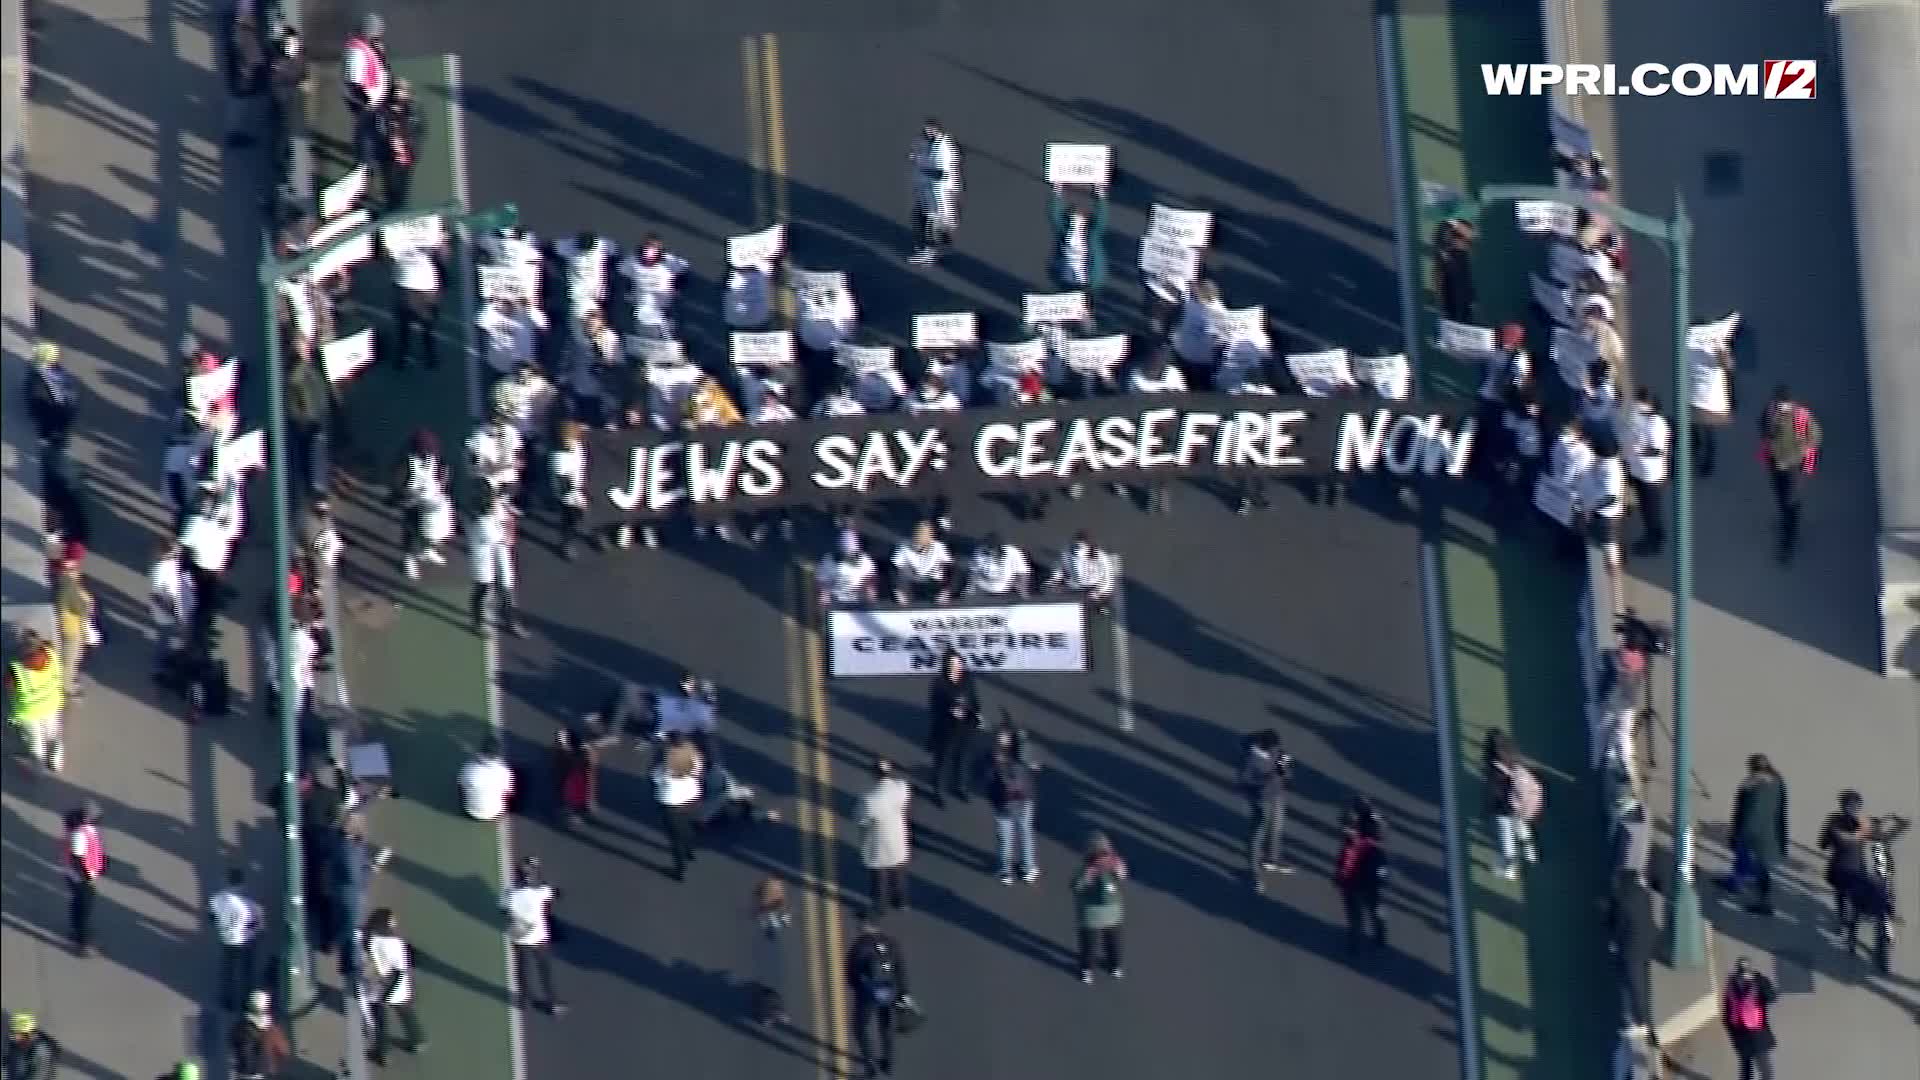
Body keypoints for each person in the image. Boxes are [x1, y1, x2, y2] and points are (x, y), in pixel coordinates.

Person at [1756, 385, 1821, 563]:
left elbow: (1814, 437)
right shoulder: (1770, 412)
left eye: (1784, 404)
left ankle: (1788, 539)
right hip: (1776, 464)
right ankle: (1787, 521)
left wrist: (1804, 454)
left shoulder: (1801, 416)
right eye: (1778, 403)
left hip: (1793, 466)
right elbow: (1762, 428)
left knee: (1790, 500)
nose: (1781, 407)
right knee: (1781, 497)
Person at [1718, 754, 1788, 916]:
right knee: (1755, 863)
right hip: (1768, 831)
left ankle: (1762, 901)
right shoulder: (1777, 782)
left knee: (1753, 863)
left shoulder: (1751, 783)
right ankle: (1737, 883)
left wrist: (1736, 831)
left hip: (1750, 831)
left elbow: (1743, 810)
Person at [844, 907, 911, 1076]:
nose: (857, 925)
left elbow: (851, 973)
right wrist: (903, 993)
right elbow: (900, 969)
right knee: (886, 1027)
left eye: (859, 921)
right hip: (890, 992)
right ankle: (888, 1062)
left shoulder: (859, 946)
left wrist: (858, 990)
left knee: (860, 1028)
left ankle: (870, 1065)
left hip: (868, 995)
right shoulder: (892, 943)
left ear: (866, 924)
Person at [503, 857, 566, 1015]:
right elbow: (557, 893)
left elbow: (503, 909)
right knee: (544, 969)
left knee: (522, 968)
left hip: (519, 934)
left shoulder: (509, 891)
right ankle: (552, 1002)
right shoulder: (541, 892)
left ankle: (522, 1000)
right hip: (538, 936)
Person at [363, 908, 425, 1065]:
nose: (395, 924)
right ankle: (417, 1040)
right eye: (392, 921)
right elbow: (402, 967)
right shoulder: (395, 943)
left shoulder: (370, 939)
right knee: (405, 1012)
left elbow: (370, 964)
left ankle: (383, 1052)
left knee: (380, 1021)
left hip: (380, 986)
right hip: (397, 985)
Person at [1602, 867, 1656, 1037]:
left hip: (1632, 948)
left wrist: (1613, 942)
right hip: (1648, 941)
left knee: (1635, 985)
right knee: (1643, 982)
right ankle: (1645, 1017)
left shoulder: (1622, 900)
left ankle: (1641, 1023)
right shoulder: (1644, 894)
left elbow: (1618, 926)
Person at [987, 719, 1041, 886]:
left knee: (1005, 838)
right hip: (1022, 801)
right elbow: (1033, 766)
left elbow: (986, 778)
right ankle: (1028, 867)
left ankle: (1006, 870)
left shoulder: (993, 758)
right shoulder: (1019, 755)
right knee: (1025, 833)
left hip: (1003, 804)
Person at [467, 484, 526, 638]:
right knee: (483, 587)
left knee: (506, 583)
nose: (494, 500)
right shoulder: (481, 522)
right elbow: (502, 537)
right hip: (483, 554)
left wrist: (506, 519)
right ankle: (477, 622)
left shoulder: (493, 508)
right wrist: (507, 527)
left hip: (499, 549)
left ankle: (510, 619)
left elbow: (506, 521)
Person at [1240, 729, 1294, 890]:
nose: (1276, 751)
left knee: (1276, 828)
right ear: (1263, 746)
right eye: (1273, 748)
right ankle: (1253, 872)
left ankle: (1272, 858)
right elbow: (1245, 781)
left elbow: (1285, 769)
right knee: (1257, 835)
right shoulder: (1250, 760)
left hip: (1277, 795)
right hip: (1261, 800)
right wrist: (1268, 778)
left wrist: (1285, 768)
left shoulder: (1276, 751)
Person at [1483, 731, 1541, 879]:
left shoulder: (1494, 768)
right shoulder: (1515, 759)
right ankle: (1530, 854)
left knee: (1508, 843)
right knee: (1521, 828)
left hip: (1504, 809)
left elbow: (1495, 792)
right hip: (1521, 804)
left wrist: (1490, 807)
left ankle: (1509, 870)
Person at [924, 648, 979, 805]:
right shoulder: (939, 682)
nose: (957, 666)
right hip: (946, 728)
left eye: (959, 662)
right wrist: (950, 711)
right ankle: (937, 791)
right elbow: (935, 706)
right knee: (942, 761)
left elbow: (974, 699)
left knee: (962, 758)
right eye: (953, 663)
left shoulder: (967, 678)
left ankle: (960, 787)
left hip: (965, 727)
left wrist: (972, 713)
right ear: (946, 665)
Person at [1333, 800, 1388, 953]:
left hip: (1356, 881)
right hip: (1370, 880)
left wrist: (1339, 877)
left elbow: (1346, 862)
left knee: (1357, 914)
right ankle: (1378, 934)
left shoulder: (1355, 844)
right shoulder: (1374, 833)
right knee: (1374, 909)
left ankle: (1357, 942)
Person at [858, 759, 912, 912]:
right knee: (898, 872)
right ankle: (901, 902)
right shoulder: (901, 787)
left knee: (880, 877)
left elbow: (861, 820)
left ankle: (880, 906)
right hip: (898, 836)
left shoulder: (869, 800)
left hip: (879, 841)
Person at [1073, 832, 1127, 982]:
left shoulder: (1088, 870)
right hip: (1113, 914)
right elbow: (1122, 876)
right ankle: (1115, 967)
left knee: (1088, 945)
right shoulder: (1117, 864)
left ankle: (1086, 971)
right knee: (1113, 943)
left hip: (1091, 916)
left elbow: (1076, 887)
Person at [1623, 387, 1671, 555]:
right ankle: (1654, 535)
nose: (1637, 405)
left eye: (1641, 403)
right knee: (1645, 507)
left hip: (1650, 476)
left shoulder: (1657, 424)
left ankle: (1655, 541)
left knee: (1651, 511)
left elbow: (1657, 451)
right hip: (1637, 469)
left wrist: (1637, 450)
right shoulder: (1638, 415)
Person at [209, 867, 265, 1010]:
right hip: (246, 941)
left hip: (227, 939)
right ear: (243, 884)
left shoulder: (217, 899)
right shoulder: (250, 904)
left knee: (228, 970)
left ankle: (226, 1001)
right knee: (247, 972)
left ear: (226, 882)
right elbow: (257, 925)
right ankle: (246, 1002)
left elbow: (212, 919)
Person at [7, 632, 64, 771]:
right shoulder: (52, 654)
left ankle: (38, 769)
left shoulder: (17, 670)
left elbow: (9, 689)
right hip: (51, 704)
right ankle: (55, 759)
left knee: (35, 741)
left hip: (28, 712)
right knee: (53, 734)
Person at [908, 117, 961, 265]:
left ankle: (928, 252)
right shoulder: (929, 143)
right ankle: (939, 248)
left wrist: (920, 163)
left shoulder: (944, 148)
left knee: (929, 222)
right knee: (927, 219)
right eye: (926, 129)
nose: (928, 132)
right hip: (929, 189)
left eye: (931, 129)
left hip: (938, 191)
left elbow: (941, 173)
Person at [1819, 790, 1871, 940]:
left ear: (1842, 805)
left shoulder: (1833, 820)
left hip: (1839, 867)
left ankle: (1841, 923)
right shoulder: (1865, 821)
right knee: (1856, 893)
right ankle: (1855, 920)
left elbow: (1822, 844)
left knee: (1841, 893)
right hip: (1859, 866)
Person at [339, 12, 390, 165]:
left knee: (375, 128)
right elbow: (353, 82)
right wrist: (367, 104)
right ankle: (365, 163)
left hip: (371, 99)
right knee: (366, 132)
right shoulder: (357, 52)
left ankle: (372, 154)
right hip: (364, 102)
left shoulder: (369, 45)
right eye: (378, 31)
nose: (381, 33)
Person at [654, 737, 703, 881]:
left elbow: (656, 779)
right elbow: (698, 769)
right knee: (688, 828)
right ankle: (690, 851)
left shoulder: (665, 771)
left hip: (672, 806)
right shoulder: (695, 762)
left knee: (676, 839)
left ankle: (680, 869)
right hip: (692, 799)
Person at [1720, 957, 1778, 1080]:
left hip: (1757, 1031)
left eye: (1745, 971)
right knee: (1745, 1065)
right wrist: (1729, 1026)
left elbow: (1771, 998)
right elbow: (1728, 1005)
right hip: (1739, 1031)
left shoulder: (1759, 982)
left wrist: (1760, 981)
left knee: (1763, 1065)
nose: (1743, 975)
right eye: (1741, 972)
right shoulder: (1731, 982)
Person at [750, 878, 794, 1025]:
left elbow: (786, 923)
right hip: (766, 947)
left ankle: (774, 1010)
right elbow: (767, 925)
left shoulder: (775, 910)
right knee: (770, 980)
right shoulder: (762, 912)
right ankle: (769, 1012)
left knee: (774, 980)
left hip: (770, 947)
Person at [1049, 181, 1108, 291]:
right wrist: (1057, 191)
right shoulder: (1064, 231)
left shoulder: (1092, 233)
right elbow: (1054, 214)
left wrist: (1100, 195)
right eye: (1074, 215)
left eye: (1080, 216)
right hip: (1066, 279)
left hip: (1087, 281)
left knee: (1085, 305)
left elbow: (1102, 217)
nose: (1077, 219)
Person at [149, 539, 196, 675]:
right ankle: (158, 666)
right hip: (166, 613)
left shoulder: (172, 564)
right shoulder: (159, 570)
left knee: (172, 636)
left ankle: (170, 658)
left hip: (176, 608)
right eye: (175, 553)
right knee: (163, 639)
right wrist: (172, 611)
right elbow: (156, 596)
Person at [65, 800, 106, 955]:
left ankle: (76, 931)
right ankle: (82, 943)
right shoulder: (80, 834)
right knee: (84, 907)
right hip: (80, 877)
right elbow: (78, 858)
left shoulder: (80, 828)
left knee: (78, 903)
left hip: (76, 875)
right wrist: (88, 877)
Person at [24, 341, 78, 456]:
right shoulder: (61, 372)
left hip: (53, 410)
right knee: (62, 427)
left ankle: (47, 440)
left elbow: (35, 396)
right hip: (68, 409)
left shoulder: (38, 375)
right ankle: (60, 443)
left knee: (47, 425)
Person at [52, 557, 96, 699]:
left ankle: (68, 681)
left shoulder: (66, 584)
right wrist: (88, 604)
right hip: (73, 630)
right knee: (69, 660)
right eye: (73, 569)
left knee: (71, 658)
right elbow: (82, 609)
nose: (77, 571)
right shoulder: (70, 588)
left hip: (71, 627)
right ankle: (68, 688)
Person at [377, 78, 423, 210]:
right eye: (397, 91)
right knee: (389, 184)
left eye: (402, 91)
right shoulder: (384, 109)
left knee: (402, 186)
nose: (399, 93)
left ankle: (398, 208)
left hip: (405, 156)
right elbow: (379, 129)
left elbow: (419, 130)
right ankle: (390, 206)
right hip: (389, 155)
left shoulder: (413, 111)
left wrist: (412, 143)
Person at [1048, 531, 1118, 613]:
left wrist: (1100, 592)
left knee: (1095, 608)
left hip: (1094, 588)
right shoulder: (1067, 554)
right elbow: (1060, 567)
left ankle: (1100, 608)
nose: (1080, 550)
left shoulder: (1101, 556)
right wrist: (1056, 580)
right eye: (1077, 546)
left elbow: (1108, 578)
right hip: (1074, 588)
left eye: (1083, 546)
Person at [227, 990, 290, 1080]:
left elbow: (234, 1047)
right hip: (256, 1072)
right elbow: (284, 1051)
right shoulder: (271, 1030)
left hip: (243, 1072)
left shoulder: (240, 1027)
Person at [890, 520, 952, 605]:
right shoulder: (904, 546)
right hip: (912, 576)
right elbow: (897, 565)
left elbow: (947, 563)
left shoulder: (939, 546)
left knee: (953, 570)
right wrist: (908, 574)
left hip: (932, 577)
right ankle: (901, 592)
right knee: (893, 570)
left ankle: (943, 593)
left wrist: (940, 574)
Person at [817, 529, 880, 608]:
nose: (849, 555)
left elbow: (871, 577)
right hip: (837, 599)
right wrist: (824, 596)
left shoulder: (864, 559)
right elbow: (823, 580)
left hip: (859, 598)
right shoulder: (829, 559)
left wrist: (871, 593)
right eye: (846, 552)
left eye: (852, 552)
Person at [458, 735, 515, 822]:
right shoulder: (504, 772)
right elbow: (509, 793)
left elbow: (461, 787)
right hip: (496, 813)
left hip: (470, 812)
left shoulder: (468, 767)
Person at [1432, 218, 1477, 323]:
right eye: (1453, 236)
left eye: (1458, 236)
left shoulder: (1473, 254)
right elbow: (1438, 279)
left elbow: (1469, 234)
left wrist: (1452, 223)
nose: (1454, 239)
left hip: (1472, 308)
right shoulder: (1446, 257)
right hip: (1452, 311)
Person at [3, 1013, 60, 1080]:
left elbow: (41, 1075)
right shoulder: (13, 1045)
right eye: (17, 1034)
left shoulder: (42, 1052)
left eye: (25, 1035)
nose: (20, 1038)